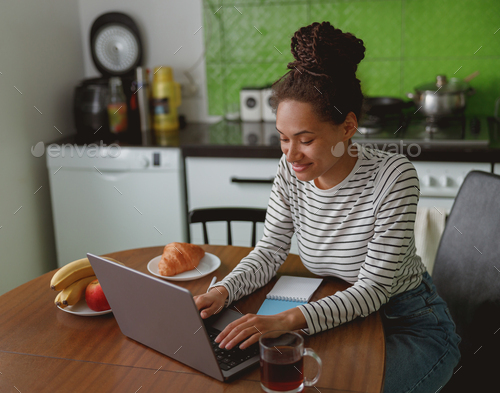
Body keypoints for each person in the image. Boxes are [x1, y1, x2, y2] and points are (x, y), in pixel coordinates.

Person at [194, 21, 462, 393]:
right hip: (338, 312)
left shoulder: (393, 177)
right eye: (284, 139)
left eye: (305, 139)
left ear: (347, 127)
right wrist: (222, 292)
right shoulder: (290, 171)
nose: (291, 154)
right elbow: (270, 252)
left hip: (407, 323)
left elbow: (372, 290)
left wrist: (285, 320)